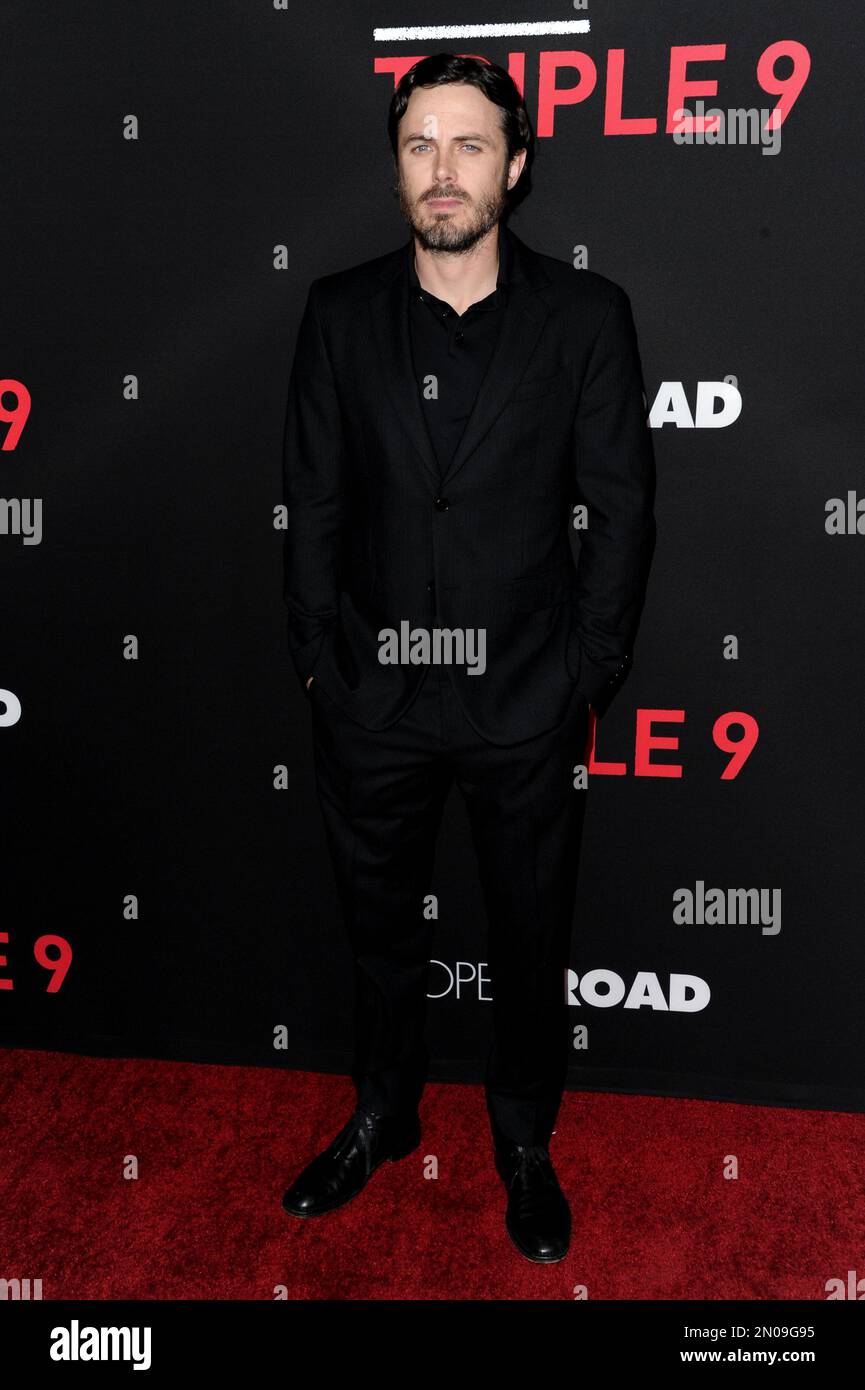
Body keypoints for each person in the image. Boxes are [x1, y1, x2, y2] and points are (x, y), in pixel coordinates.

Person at [280, 52, 656, 1263]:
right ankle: (382, 1113)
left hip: (527, 700)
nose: (442, 172)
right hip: (374, 701)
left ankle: (523, 1142)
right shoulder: (338, 313)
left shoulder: (587, 318)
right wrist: (318, 664)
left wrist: (585, 673)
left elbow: (621, 506)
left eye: (469, 145)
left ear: (517, 164)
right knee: (376, 926)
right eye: (419, 146)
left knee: (529, 934)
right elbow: (311, 502)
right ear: (398, 168)